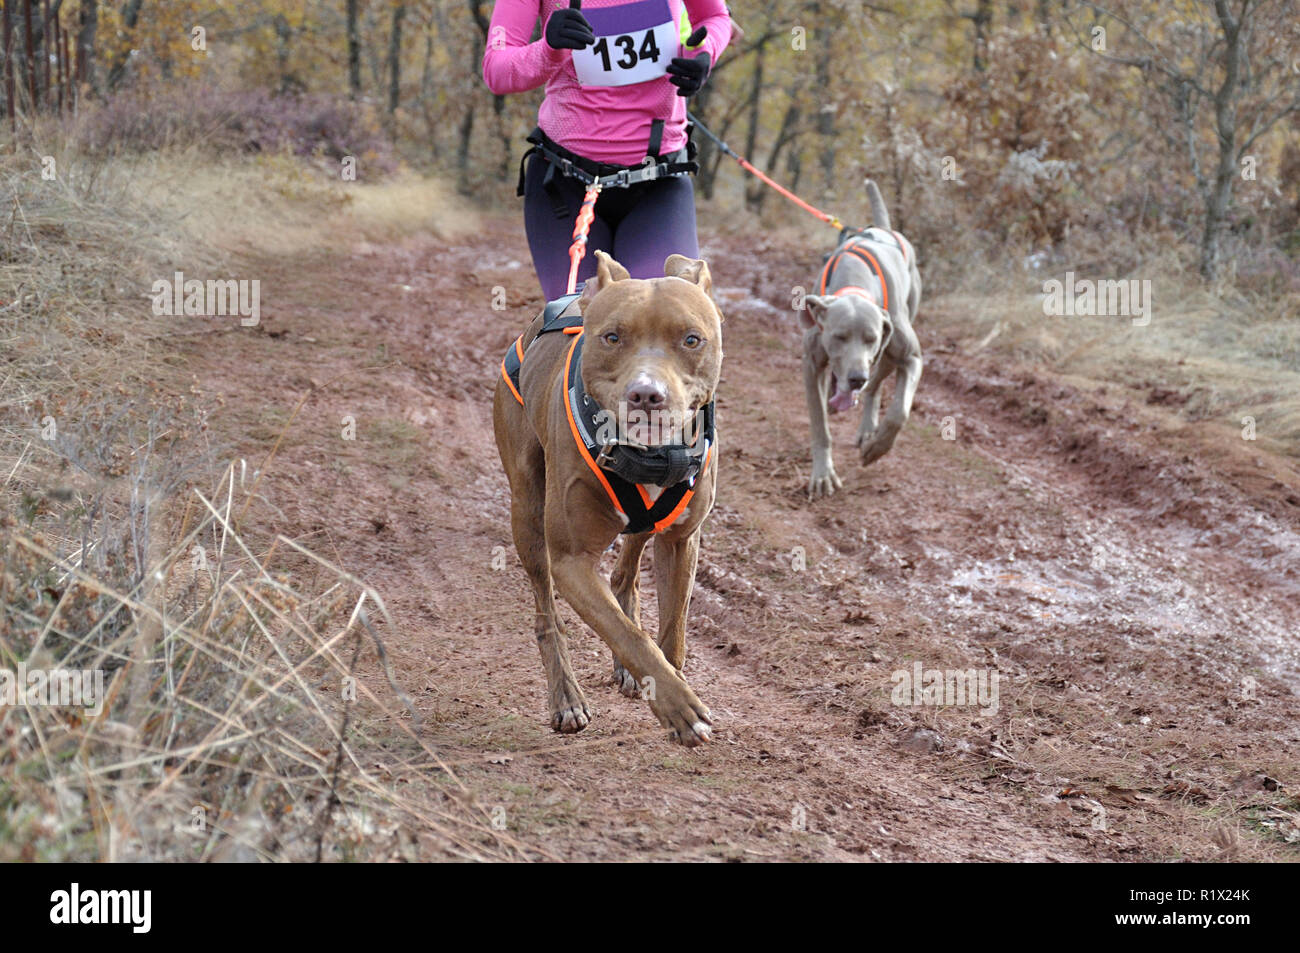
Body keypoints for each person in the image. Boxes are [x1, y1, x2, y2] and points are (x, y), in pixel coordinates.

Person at [483, 0, 733, 299]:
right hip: (565, 185)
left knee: (665, 318)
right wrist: (550, 48)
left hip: (658, 183)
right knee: (576, 325)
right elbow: (497, 70)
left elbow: (715, 16)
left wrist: (705, 54)